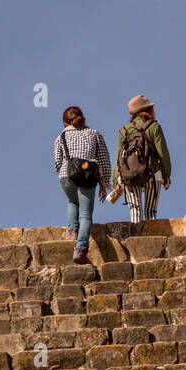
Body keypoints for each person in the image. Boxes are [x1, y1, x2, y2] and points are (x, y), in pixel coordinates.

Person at [54, 106, 111, 264]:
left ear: (66, 124)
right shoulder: (94, 134)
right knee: (86, 215)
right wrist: (104, 183)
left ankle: (72, 231)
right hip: (87, 176)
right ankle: (80, 249)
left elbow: (58, 162)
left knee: (72, 201)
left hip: (66, 176)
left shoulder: (60, 137)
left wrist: (66, 171)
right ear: (83, 119)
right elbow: (104, 160)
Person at [109, 94, 171, 224]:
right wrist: (166, 176)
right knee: (151, 211)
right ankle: (152, 240)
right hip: (153, 173)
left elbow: (117, 159)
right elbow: (163, 154)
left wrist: (116, 182)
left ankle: (135, 237)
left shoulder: (124, 131)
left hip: (129, 175)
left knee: (135, 210)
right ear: (148, 110)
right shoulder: (154, 127)